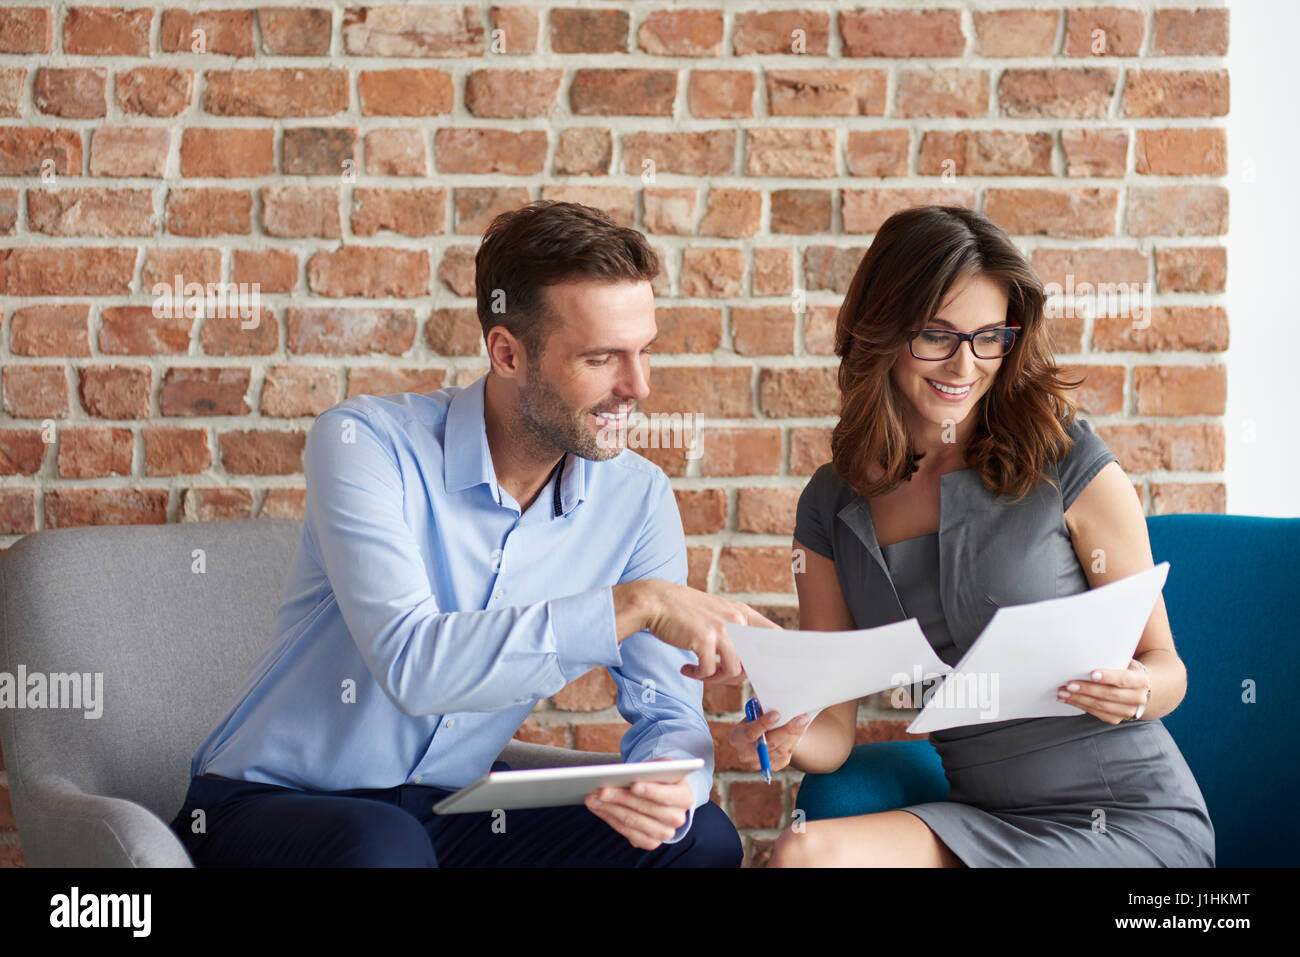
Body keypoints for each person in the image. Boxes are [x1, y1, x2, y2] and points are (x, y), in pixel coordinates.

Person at [169, 200, 773, 867]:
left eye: (644, 352)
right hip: (266, 805)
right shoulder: (366, 443)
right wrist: (636, 604)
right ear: (507, 353)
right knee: (384, 845)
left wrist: (671, 782)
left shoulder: (637, 498)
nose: (638, 386)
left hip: (451, 811)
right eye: (603, 358)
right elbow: (413, 663)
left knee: (699, 838)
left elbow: (671, 714)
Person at [731, 204, 1216, 867]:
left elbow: (1169, 669)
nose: (965, 364)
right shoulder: (831, 504)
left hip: (1129, 820)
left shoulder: (1065, 457)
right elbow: (834, 728)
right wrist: (786, 727)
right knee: (802, 853)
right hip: (984, 819)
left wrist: (1137, 691)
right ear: (882, 329)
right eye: (938, 335)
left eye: (990, 336)